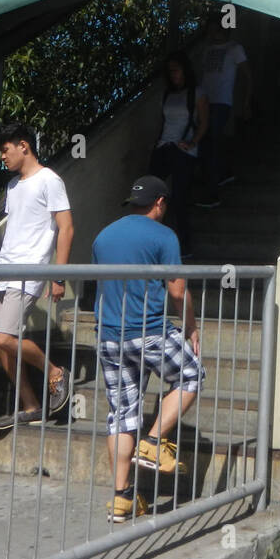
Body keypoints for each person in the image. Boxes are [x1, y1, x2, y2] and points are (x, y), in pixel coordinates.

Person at [92, 176, 205, 522]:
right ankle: (153, 443)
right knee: (191, 374)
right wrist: (191, 326)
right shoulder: (164, 236)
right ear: (160, 203)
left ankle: (121, 499)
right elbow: (176, 289)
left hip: (109, 336)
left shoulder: (103, 236)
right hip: (149, 331)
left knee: (122, 416)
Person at [0, 123, 73, 428]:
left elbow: (66, 227)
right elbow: (14, 232)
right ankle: (31, 405)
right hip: (3, 272)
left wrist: (58, 277)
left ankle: (55, 373)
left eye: (6, 150)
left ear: (23, 146)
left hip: (28, 271)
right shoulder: (13, 187)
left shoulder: (50, 180)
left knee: (5, 338)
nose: (3, 158)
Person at [149, 50, 208, 257]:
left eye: (176, 70)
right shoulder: (166, 94)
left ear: (185, 70)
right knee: (151, 195)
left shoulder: (196, 92)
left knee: (180, 198)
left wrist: (192, 143)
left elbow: (204, 122)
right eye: (170, 71)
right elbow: (162, 121)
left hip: (183, 149)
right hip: (163, 147)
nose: (173, 74)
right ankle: (152, 245)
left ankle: (184, 245)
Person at [192, 20, 250, 208]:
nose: (213, 32)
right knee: (205, 143)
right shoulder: (207, 50)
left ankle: (212, 193)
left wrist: (246, 102)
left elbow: (247, 76)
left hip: (222, 102)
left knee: (212, 143)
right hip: (205, 102)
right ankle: (223, 173)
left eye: (216, 28)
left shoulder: (235, 48)